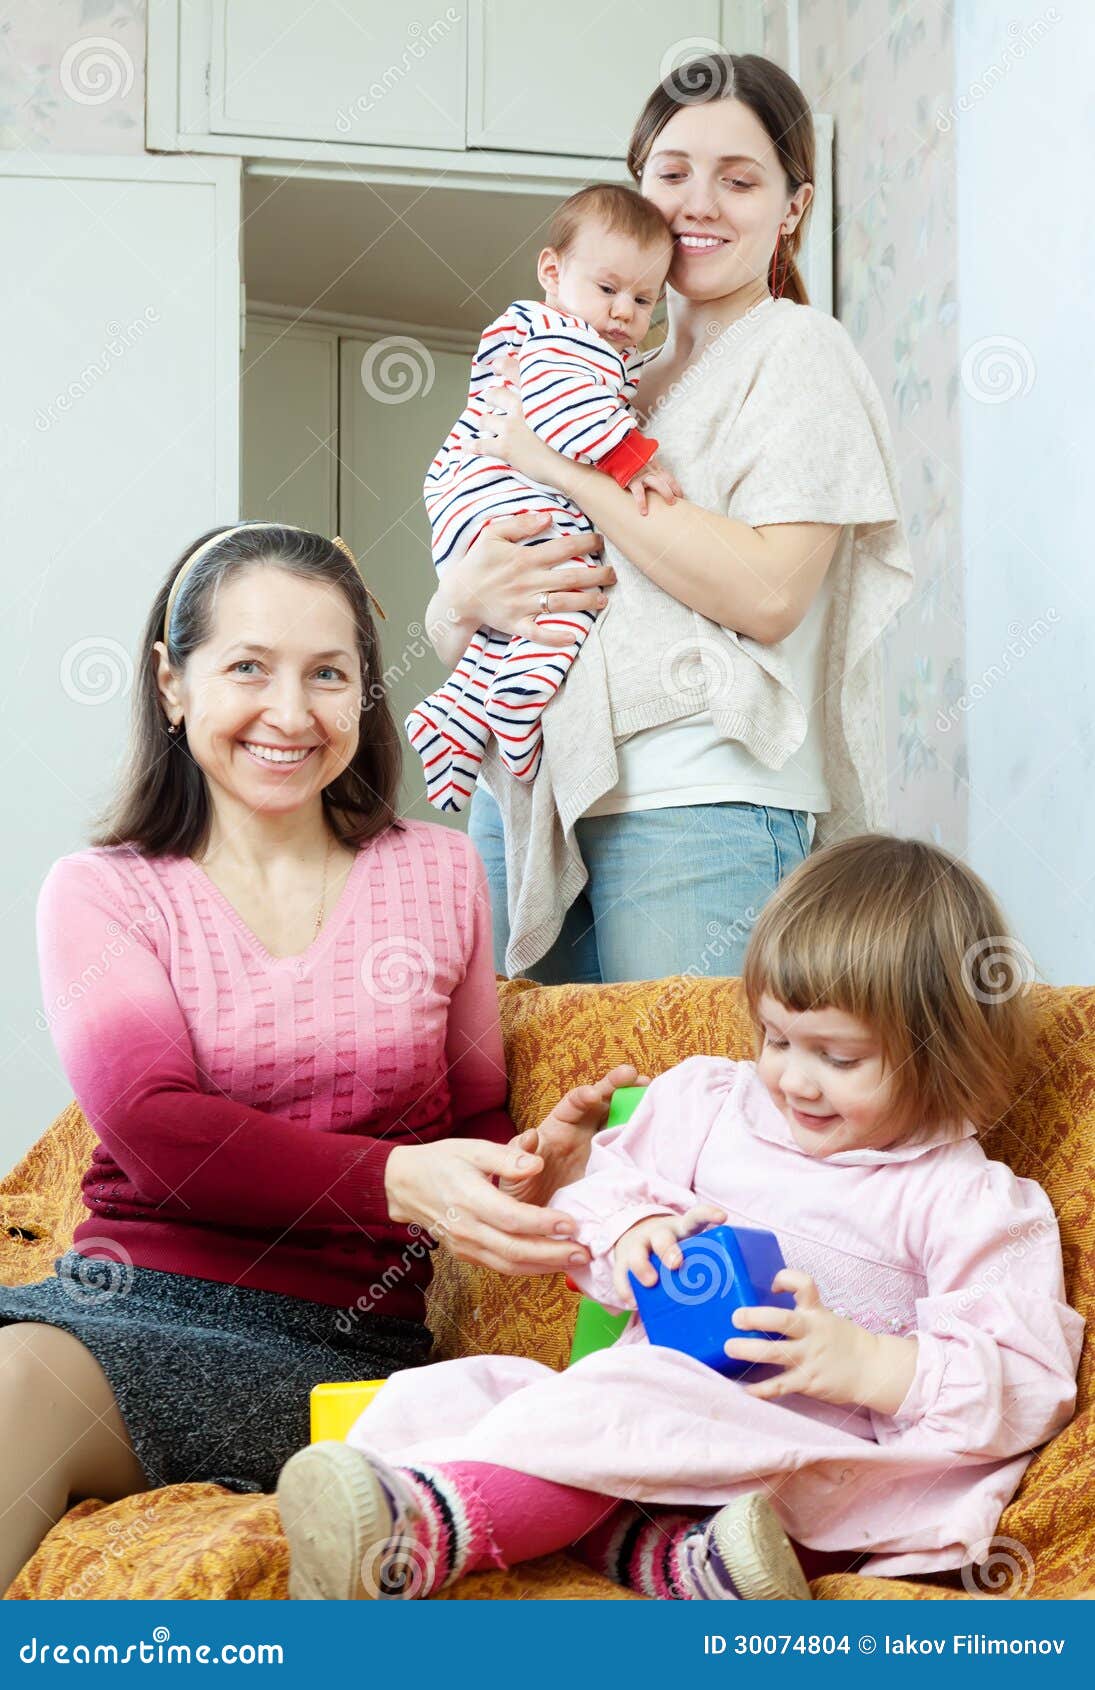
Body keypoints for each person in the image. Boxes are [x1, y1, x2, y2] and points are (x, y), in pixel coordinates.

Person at [0, 520, 646, 1597]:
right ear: (172, 683)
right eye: (247, 666)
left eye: (328, 674)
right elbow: (158, 1132)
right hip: (126, 1306)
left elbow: (473, 1118)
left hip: (346, 1345)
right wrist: (402, 1178)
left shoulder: (441, 874)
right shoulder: (103, 889)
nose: (290, 713)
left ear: (364, 694)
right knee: (21, 1371)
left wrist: (526, 1168)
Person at [276, 833, 1083, 1602]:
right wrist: (626, 1232)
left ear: (939, 1051)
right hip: (647, 1415)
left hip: (815, 1464)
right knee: (472, 1393)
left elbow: (1026, 1379)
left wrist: (868, 1363)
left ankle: (419, 1537)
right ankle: (676, 1561)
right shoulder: (708, 1107)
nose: (794, 1080)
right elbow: (596, 1192)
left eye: (837, 1059)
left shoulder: (967, 1201)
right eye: (775, 1038)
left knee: (631, 1414)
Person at [419, 52, 913, 985]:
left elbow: (767, 594)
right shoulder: (604, 380)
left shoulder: (796, 350)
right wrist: (455, 603)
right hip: (533, 794)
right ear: (636, 185)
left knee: (676, 1107)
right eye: (673, 173)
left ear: (791, 209)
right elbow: (489, 571)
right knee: (526, 1116)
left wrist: (550, 457)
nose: (699, 205)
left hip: (697, 801)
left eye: (738, 180)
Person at [407, 183, 680, 813]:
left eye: (643, 300)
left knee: (505, 627)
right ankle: (520, 706)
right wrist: (631, 460)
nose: (623, 312)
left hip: (474, 502)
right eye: (608, 289)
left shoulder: (561, 336)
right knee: (572, 600)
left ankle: (451, 714)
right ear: (552, 272)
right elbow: (566, 411)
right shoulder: (562, 337)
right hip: (506, 491)